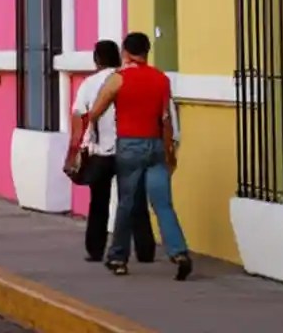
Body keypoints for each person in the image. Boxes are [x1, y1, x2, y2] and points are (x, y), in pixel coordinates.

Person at [90, 32, 193, 280]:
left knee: (127, 203)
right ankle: (179, 252)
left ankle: (118, 258)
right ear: (147, 51)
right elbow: (166, 118)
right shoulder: (161, 79)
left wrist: (94, 132)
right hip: (156, 145)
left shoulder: (118, 79)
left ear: (125, 52)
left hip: (129, 146)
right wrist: (169, 152)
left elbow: (95, 110)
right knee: (163, 204)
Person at [68, 40, 156, 263]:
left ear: (97, 59)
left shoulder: (89, 84)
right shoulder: (125, 79)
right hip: (129, 147)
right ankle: (145, 251)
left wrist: (73, 151)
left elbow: (79, 118)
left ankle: (95, 250)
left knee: (99, 201)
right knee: (135, 200)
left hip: (100, 152)